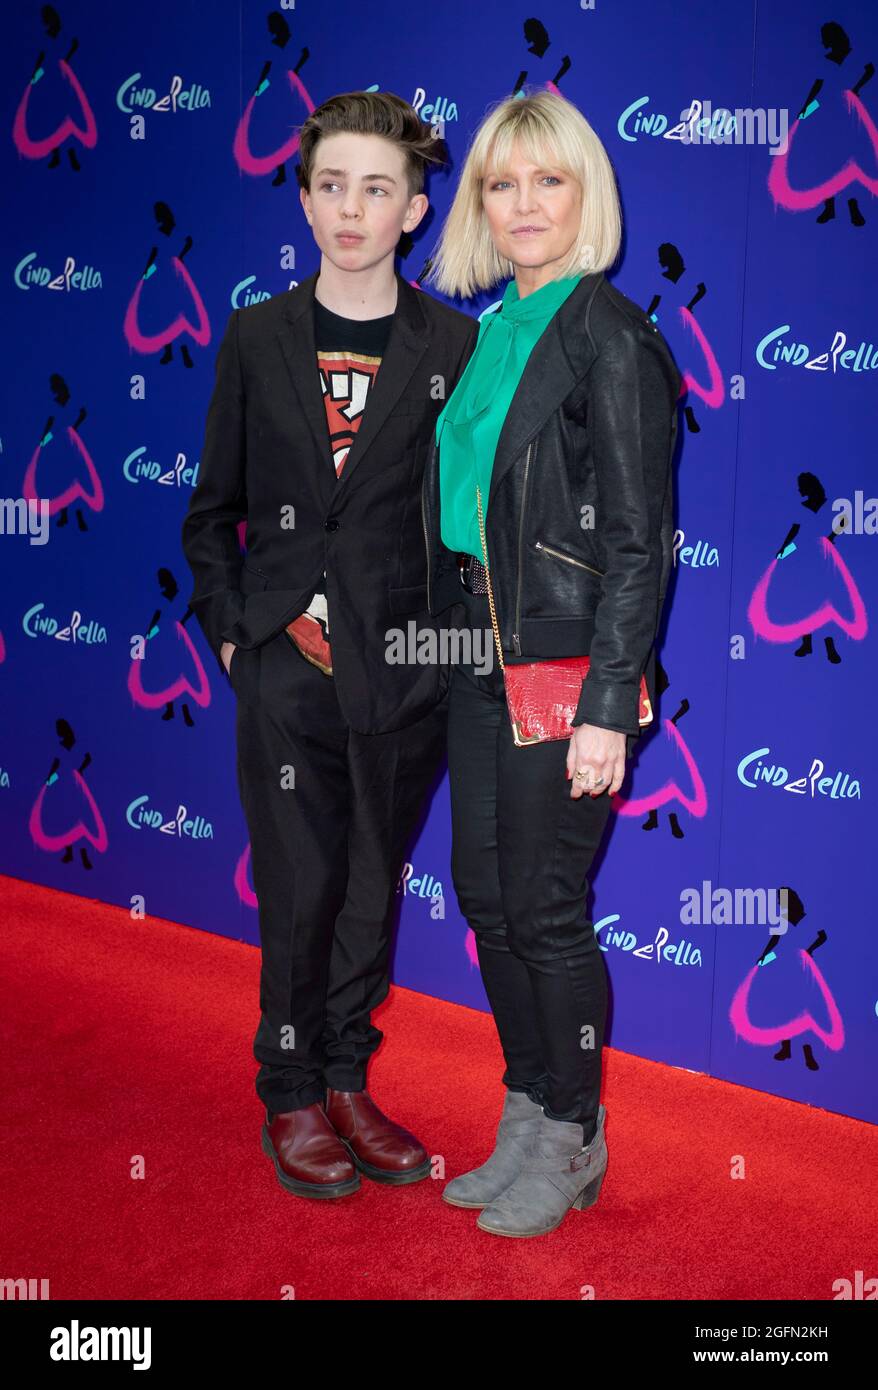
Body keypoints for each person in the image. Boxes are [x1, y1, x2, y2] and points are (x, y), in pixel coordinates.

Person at [182, 91, 478, 1200]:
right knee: (299, 887)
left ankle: (349, 1077)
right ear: (304, 198)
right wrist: (231, 633)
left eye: (377, 188)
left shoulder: (451, 342)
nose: (351, 207)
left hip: (402, 671)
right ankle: (291, 1088)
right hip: (282, 668)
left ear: (412, 210)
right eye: (331, 184)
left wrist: (447, 650)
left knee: (368, 888)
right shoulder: (256, 335)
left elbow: (465, 528)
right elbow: (211, 511)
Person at [421, 88, 681, 1237]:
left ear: (585, 196)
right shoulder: (491, 330)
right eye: (500, 182)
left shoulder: (609, 334)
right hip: (477, 660)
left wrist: (607, 706)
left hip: (566, 671)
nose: (522, 204)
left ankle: (573, 1131)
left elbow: (636, 544)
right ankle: (528, 1105)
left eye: (548, 180)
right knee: (486, 900)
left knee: (543, 906)